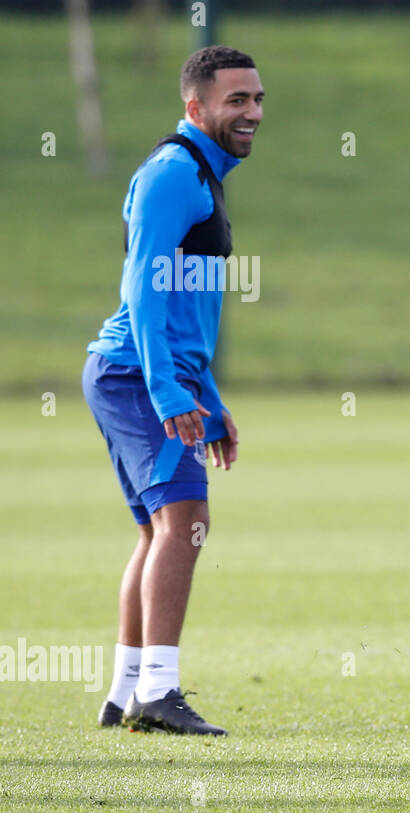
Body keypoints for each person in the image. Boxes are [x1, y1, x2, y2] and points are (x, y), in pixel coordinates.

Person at [82, 46, 264, 735]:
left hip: (143, 374)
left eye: (257, 100)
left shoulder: (200, 174)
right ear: (196, 107)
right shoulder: (172, 176)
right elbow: (144, 291)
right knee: (185, 523)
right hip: (135, 375)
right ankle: (157, 692)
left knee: (159, 529)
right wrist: (168, 393)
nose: (251, 113)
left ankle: (125, 692)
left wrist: (208, 397)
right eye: (236, 101)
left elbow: (187, 313)